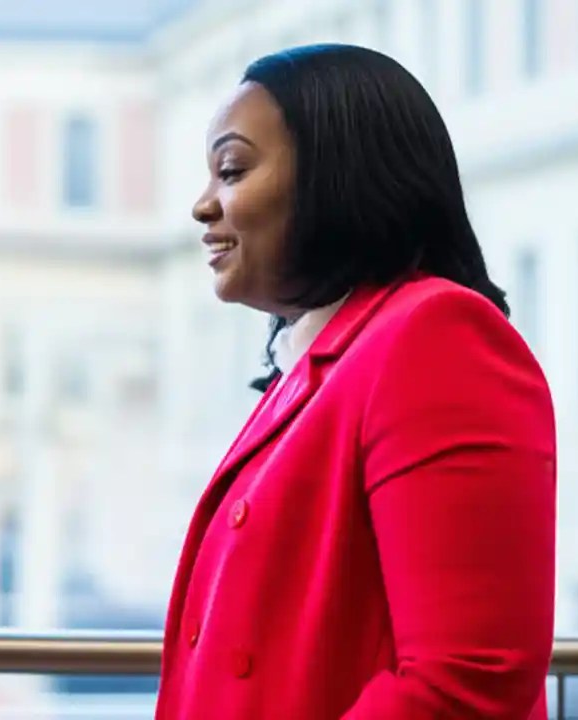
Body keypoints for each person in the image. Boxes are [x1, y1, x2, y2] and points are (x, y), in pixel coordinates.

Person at [155, 44, 555, 719]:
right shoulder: (318, 362)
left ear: (335, 174)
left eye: (232, 169)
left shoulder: (437, 337)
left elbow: (465, 681)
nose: (203, 206)